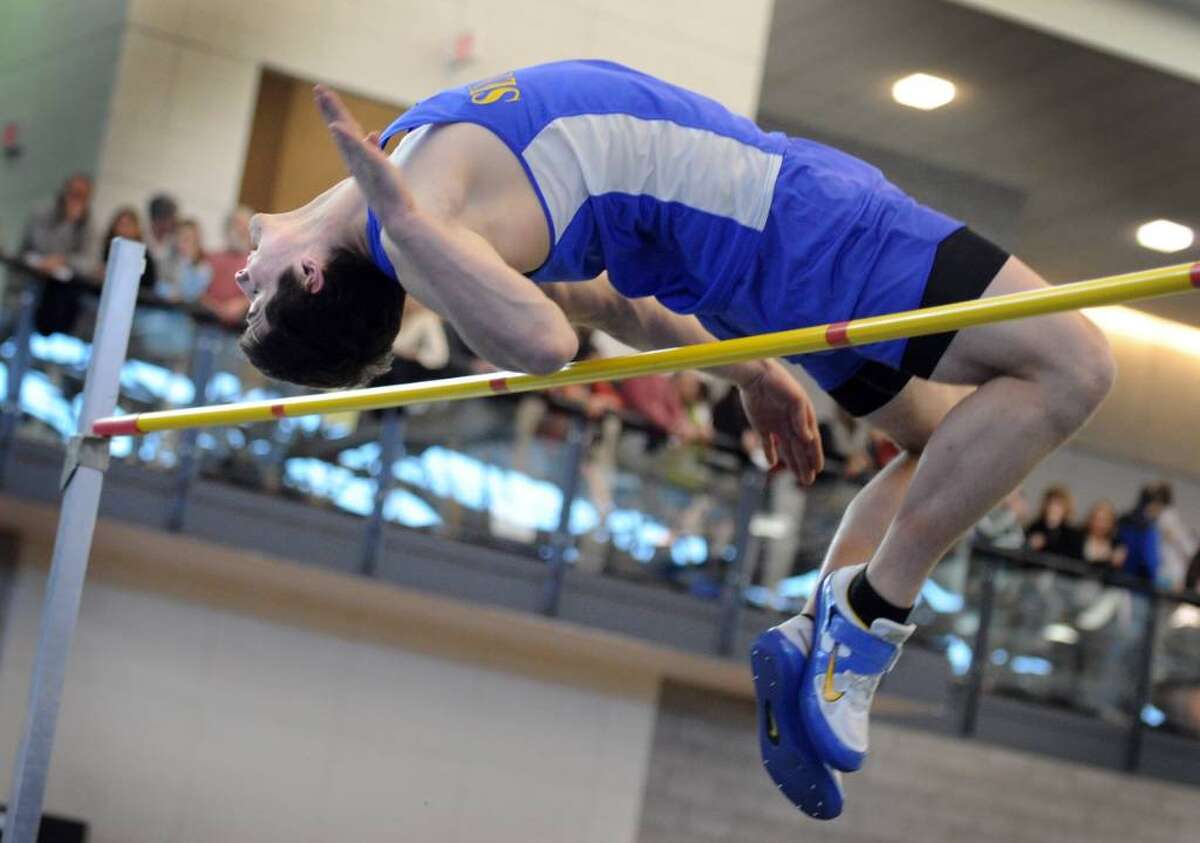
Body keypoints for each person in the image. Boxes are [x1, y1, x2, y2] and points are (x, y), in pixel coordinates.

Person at [235, 61, 1115, 819]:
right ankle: (871, 621)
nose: (240, 275)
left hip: (737, 269)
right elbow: (546, 342)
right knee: (1074, 366)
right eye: (256, 298)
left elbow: (610, 300)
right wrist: (413, 222)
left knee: (942, 447)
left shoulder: (400, 201)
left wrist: (750, 372)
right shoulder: (411, 225)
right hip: (793, 223)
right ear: (312, 277)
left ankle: (820, 632)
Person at [202, 206, 254, 328]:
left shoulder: (258, 263)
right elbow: (197, 291)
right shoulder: (210, 258)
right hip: (207, 323)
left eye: (244, 226)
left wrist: (242, 304)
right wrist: (217, 309)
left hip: (239, 329)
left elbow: (263, 294)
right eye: (236, 224)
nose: (240, 230)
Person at [1026, 484, 1081, 558]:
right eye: (1051, 503)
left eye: (1058, 504)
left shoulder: (1072, 534)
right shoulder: (1034, 527)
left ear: (1066, 508)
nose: (1053, 508)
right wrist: (1030, 545)